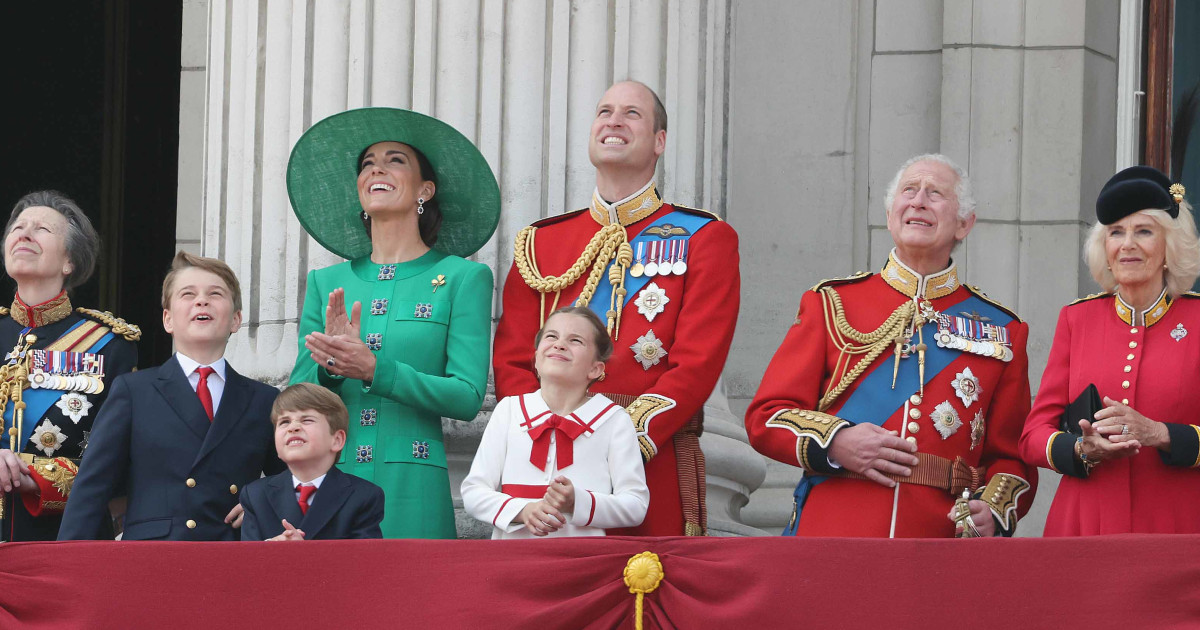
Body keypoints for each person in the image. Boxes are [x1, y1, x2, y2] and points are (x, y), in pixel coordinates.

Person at [492, 81, 739, 536]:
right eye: (604, 111)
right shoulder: (541, 242)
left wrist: (621, 439)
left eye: (632, 113)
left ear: (659, 142)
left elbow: (698, 362)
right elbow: (512, 357)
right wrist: (539, 433)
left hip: (649, 457)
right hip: (545, 457)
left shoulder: (703, 237)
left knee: (644, 596)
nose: (614, 121)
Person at [745, 154, 1037, 538]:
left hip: (937, 542)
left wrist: (993, 511)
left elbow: (1012, 457)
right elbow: (767, 415)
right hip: (832, 532)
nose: (918, 201)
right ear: (890, 213)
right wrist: (836, 441)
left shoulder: (1003, 329)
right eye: (909, 191)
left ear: (964, 223)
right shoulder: (832, 303)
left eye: (935, 194)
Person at [285, 107, 499, 539]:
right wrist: (331, 364)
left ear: (426, 189)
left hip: (414, 485)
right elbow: (297, 397)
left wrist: (375, 370)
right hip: (333, 480)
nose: (376, 168)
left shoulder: (464, 277)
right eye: (367, 163)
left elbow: (467, 396)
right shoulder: (327, 282)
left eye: (395, 159)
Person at [1020, 166, 1200, 535]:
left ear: (1170, 246)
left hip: (1178, 528)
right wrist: (1082, 449)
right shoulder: (1076, 318)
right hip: (1085, 525)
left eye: (1144, 231)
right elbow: (1033, 435)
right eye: (1116, 233)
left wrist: (1160, 433)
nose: (1127, 244)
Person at [59, 252, 283, 540]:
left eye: (215, 294)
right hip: (153, 556)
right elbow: (92, 487)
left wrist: (262, 499)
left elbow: (295, 478)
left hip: (233, 554)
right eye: (188, 294)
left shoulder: (263, 399)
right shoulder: (134, 391)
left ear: (236, 320)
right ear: (168, 319)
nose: (201, 301)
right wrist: (69, 566)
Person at [0, 190, 139, 541]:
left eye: (42, 229)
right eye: (18, 227)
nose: (25, 233)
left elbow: (125, 462)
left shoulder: (111, 346)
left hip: (63, 541)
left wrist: (35, 476)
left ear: (70, 262)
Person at [462, 307, 648, 538]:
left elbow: (635, 504)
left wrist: (577, 502)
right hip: (512, 557)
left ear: (595, 369)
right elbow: (473, 491)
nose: (559, 344)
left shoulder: (614, 420)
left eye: (576, 340)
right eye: (551, 336)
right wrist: (523, 510)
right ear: (537, 357)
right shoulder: (509, 411)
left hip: (582, 560)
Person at [241, 382, 384, 541]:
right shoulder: (255, 495)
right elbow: (246, 562)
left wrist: (305, 553)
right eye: (284, 422)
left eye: (307, 420)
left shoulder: (363, 496)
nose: (293, 427)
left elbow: (365, 563)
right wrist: (268, 552)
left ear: (337, 440)